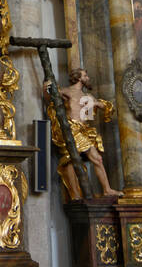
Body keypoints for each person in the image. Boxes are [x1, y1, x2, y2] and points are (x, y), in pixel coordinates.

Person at [46, 68, 119, 201]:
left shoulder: (88, 96)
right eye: (85, 75)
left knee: (97, 159)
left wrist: (97, 104)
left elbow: (104, 107)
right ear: (79, 78)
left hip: (82, 130)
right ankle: (75, 194)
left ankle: (107, 190)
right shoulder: (67, 91)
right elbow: (50, 95)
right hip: (71, 129)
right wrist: (47, 87)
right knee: (71, 159)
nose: (88, 78)